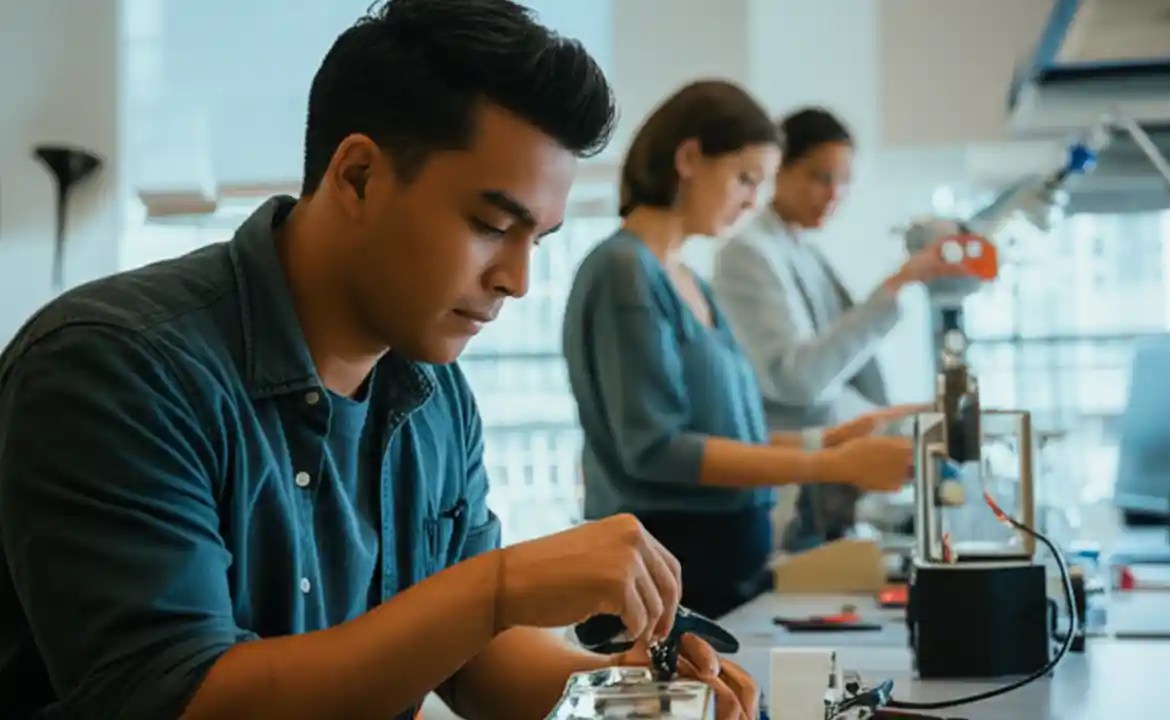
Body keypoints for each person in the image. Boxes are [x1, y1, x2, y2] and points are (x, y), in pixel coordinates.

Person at [0, 3, 759, 718]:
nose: (517, 280)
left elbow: (469, 660)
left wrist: (630, 691)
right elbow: (176, 699)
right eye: (494, 224)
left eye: (540, 240)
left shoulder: (434, 392)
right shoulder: (115, 369)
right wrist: (497, 587)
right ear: (357, 176)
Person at [561, 82, 918, 621]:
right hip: (666, 580)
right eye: (745, 179)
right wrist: (829, 462)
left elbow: (726, 437)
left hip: (721, 577)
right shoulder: (624, 271)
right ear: (688, 159)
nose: (754, 200)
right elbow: (657, 450)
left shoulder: (689, 281)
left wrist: (836, 436)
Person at [709, 108, 972, 553]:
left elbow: (846, 372)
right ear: (781, 171)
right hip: (786, 483)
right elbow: (798, 381)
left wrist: (895, 423)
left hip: (821, 481)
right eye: (821, 177)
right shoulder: (746, 255)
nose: (834, 194)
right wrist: (898, 283)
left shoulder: (805, 254)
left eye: (844, 181)